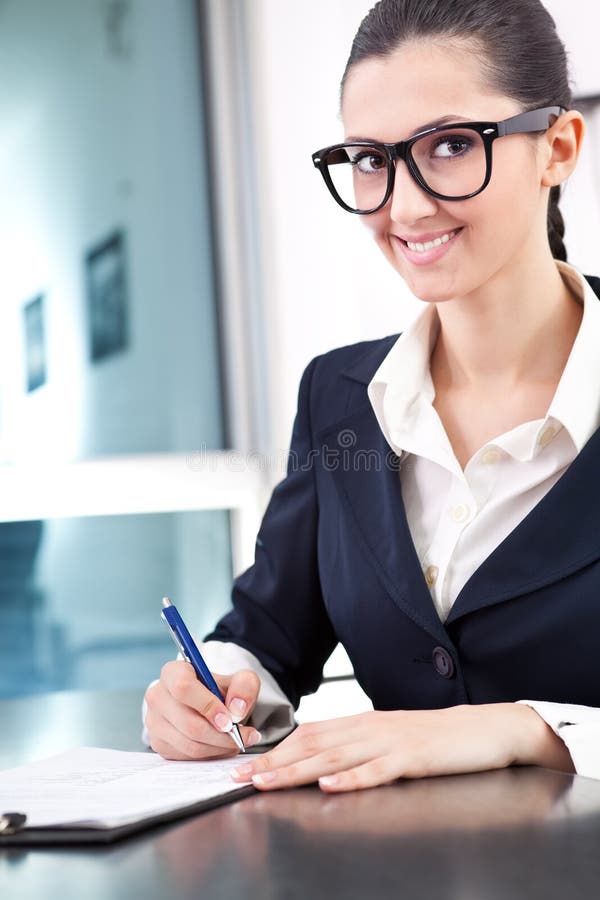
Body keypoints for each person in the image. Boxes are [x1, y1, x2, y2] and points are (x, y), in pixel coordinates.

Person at [144, 0, 600, 792]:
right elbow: (268, 634)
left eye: (452, 145)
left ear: (556, 148)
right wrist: (210, 691)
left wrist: (527, 729)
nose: (405, 205)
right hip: (387, 853)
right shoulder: (341, 397)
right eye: (369, 159)